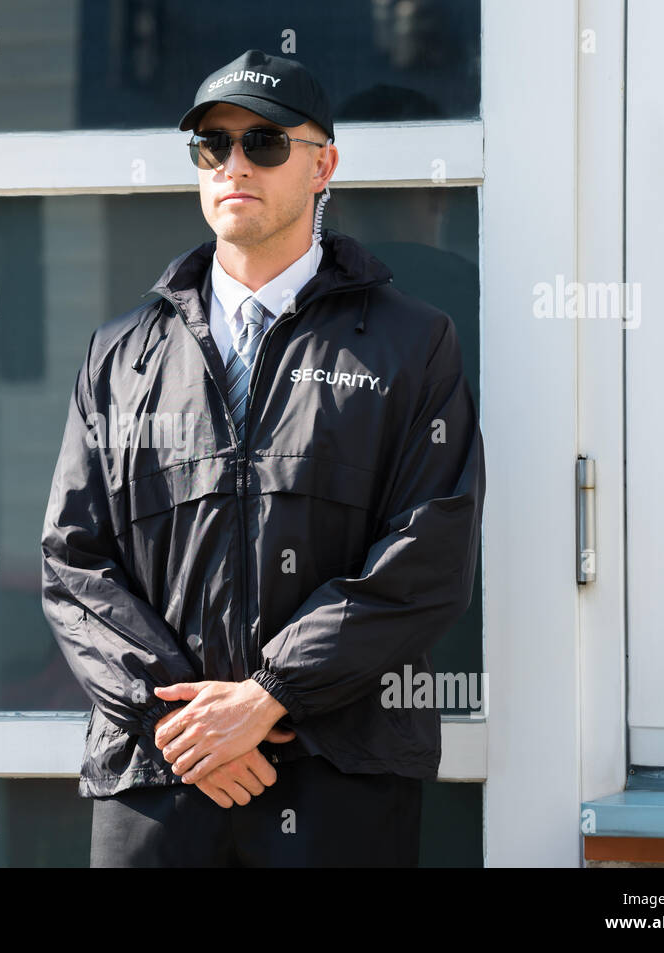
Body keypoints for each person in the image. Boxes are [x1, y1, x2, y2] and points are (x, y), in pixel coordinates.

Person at [40, 48, 485, 867]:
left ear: (326, 166)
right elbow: (74, 563)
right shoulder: (121, 354)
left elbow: (432, 554)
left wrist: (269, 695)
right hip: (158, 777)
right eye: (213, 144)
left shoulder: (411, 344)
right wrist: (178, 722)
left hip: (338, 775)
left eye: (265, 142)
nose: (234, 162)